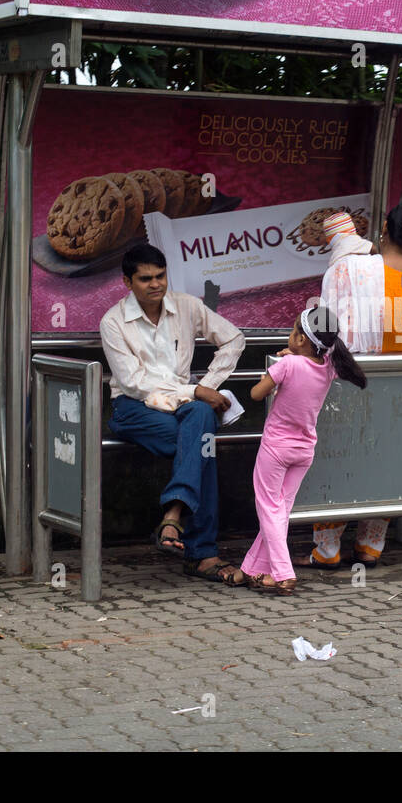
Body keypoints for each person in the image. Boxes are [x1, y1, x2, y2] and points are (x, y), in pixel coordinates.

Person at [298, 201, 402, 569]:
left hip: (350, 384)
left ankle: (327, 549)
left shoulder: (348, 268)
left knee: (342, 461)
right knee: (387, 460)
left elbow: (326, 328)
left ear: (382, 227)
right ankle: (371, 545)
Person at [99, 243, 248, 585]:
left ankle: (174, 513)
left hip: (184, 412)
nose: (156, 284)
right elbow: (135, 383)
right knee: (202, 436)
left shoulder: (186, 306)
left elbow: (234, 339)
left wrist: (208, 384)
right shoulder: (113, 322)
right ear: (127, 282)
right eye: (146, 278)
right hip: (134, 410)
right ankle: (201, 553)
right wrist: (196, 391)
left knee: (200, 431)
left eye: (161, 276)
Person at [240, 304, 368, 595]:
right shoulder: (329, 368)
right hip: (304, 451)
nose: (290, 333)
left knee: (270, 509)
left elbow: (256, 393)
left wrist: (278, 371)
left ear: (300, 340)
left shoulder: (287, 365)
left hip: (275, 448)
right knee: (279, 511)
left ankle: (283, 573)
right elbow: (316, 366)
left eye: (293, 329)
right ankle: (251, 569)